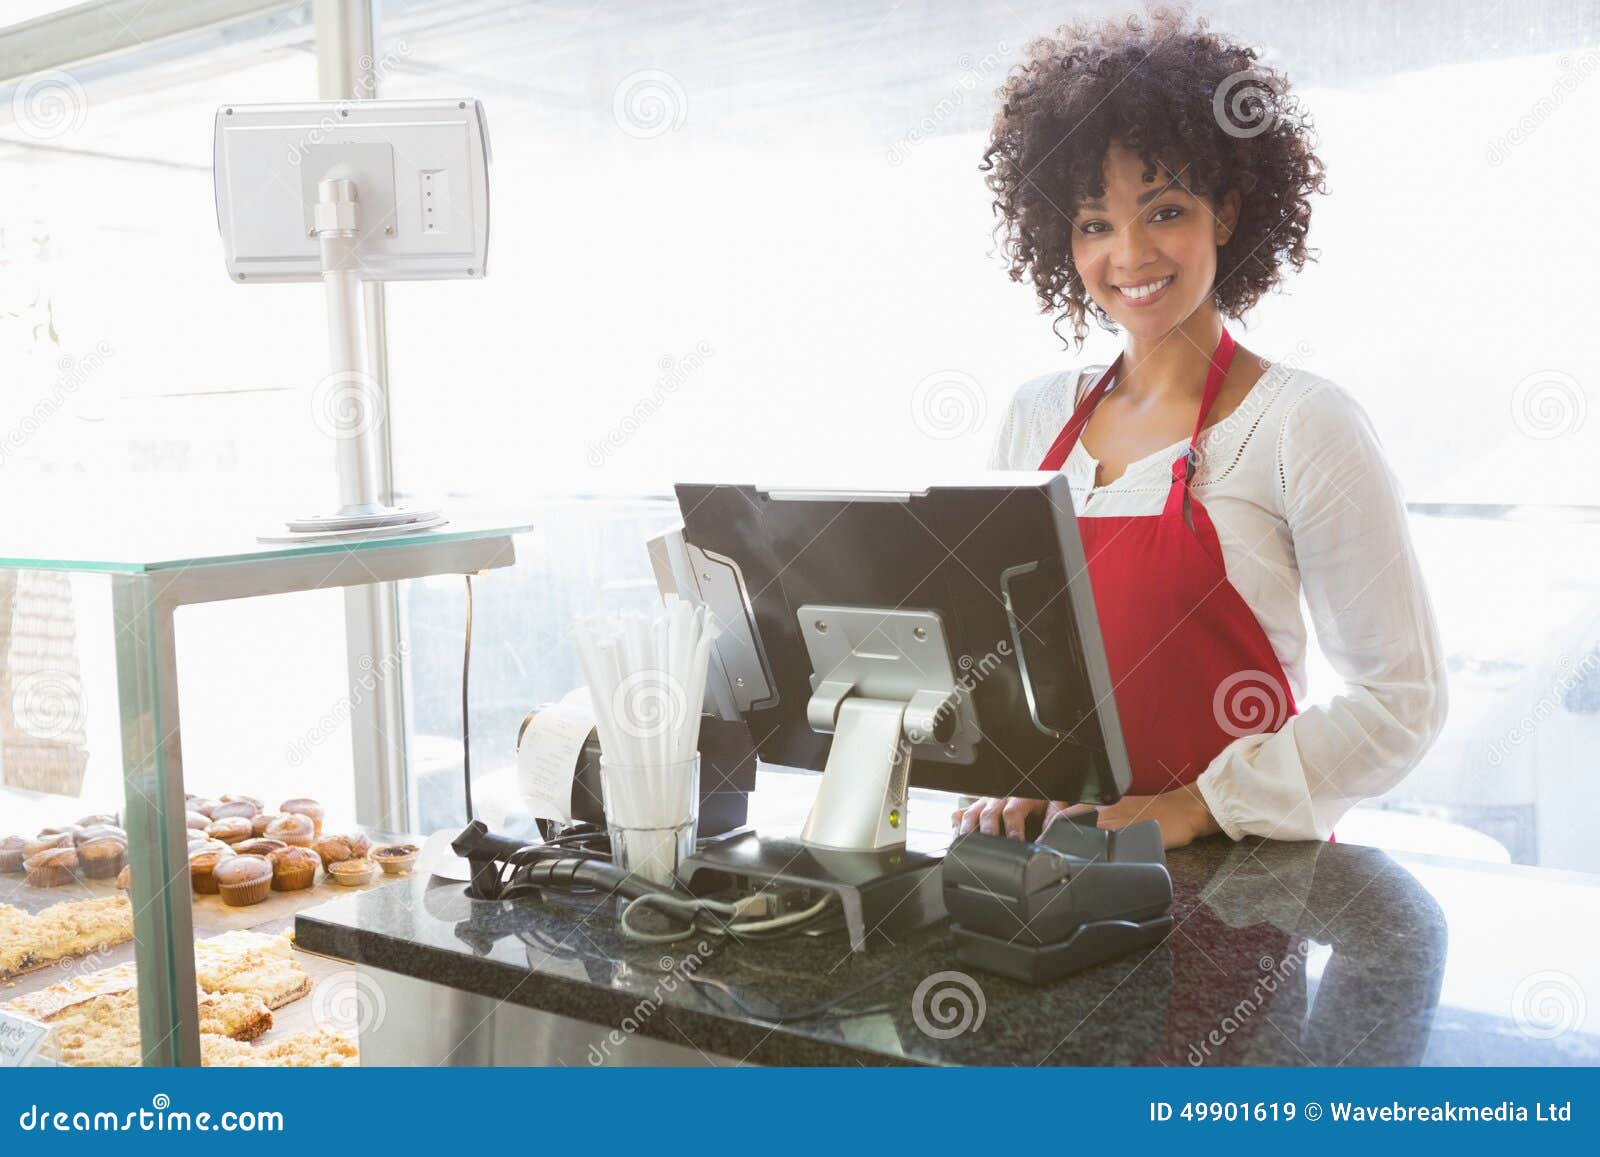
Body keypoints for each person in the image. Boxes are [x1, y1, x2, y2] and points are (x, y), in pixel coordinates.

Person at [956, 8, 1446, 847]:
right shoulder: (1036, 416)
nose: (1131, 255)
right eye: (1095, 224)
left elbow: (1403, 700)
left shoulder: (1302, 424)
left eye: (1164, 210)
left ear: (1224, 210)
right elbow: (1002, 654)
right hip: (1062, 868)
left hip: (1241, 888)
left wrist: (1198, 805)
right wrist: (1014, 771)